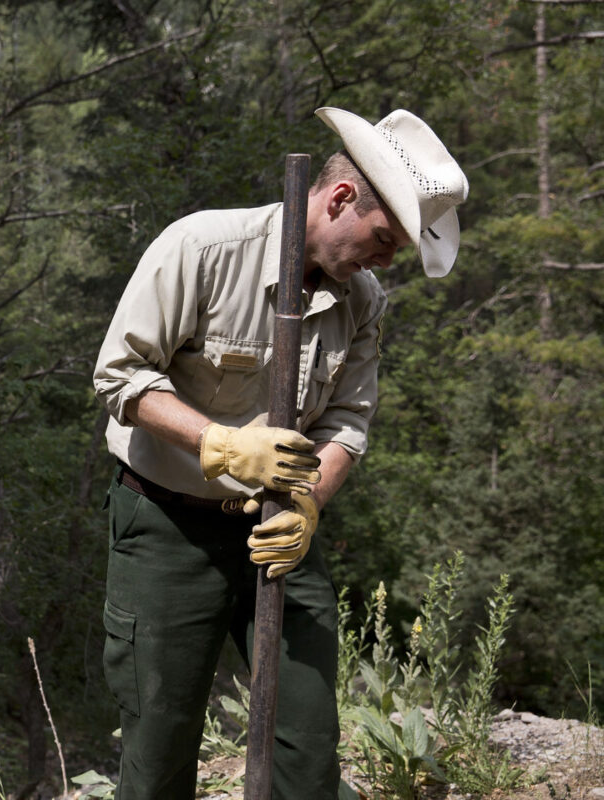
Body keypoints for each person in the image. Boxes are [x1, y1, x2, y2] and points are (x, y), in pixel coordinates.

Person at [92, 107, 469, 800]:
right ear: (340, 198)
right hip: (167, 530)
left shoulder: (364, 300)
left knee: (306, 743)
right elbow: (119, 376)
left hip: (280, 534)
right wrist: (221, 443)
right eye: (385, 239)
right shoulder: (203, 249)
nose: (386, 260)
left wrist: (308, 500)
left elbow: (349, 422)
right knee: (159, 745)